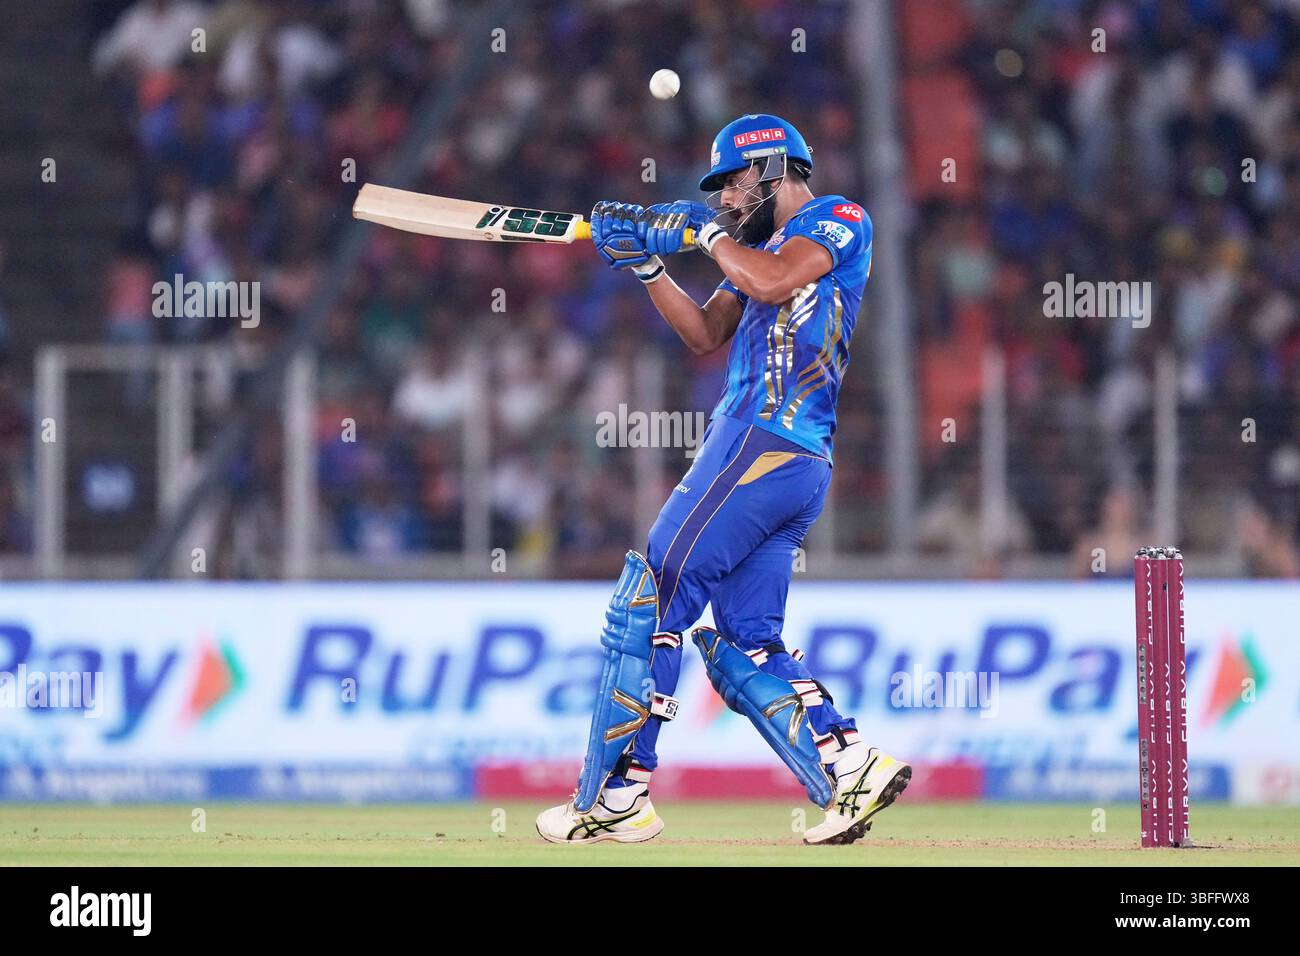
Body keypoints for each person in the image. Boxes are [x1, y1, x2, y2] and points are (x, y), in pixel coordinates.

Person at [536, 114, 909, 846]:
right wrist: (646, 264)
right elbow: (706, 333)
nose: (727, 198)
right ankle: (850, 762)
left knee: (654, 593)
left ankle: (619, 791)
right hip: (792, 464)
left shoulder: (838, 218)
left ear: (774, 168)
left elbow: (768, 281)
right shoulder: (759, 246)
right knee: (745, 640)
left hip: (763, 442)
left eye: (735, 182)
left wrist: (704, 236)